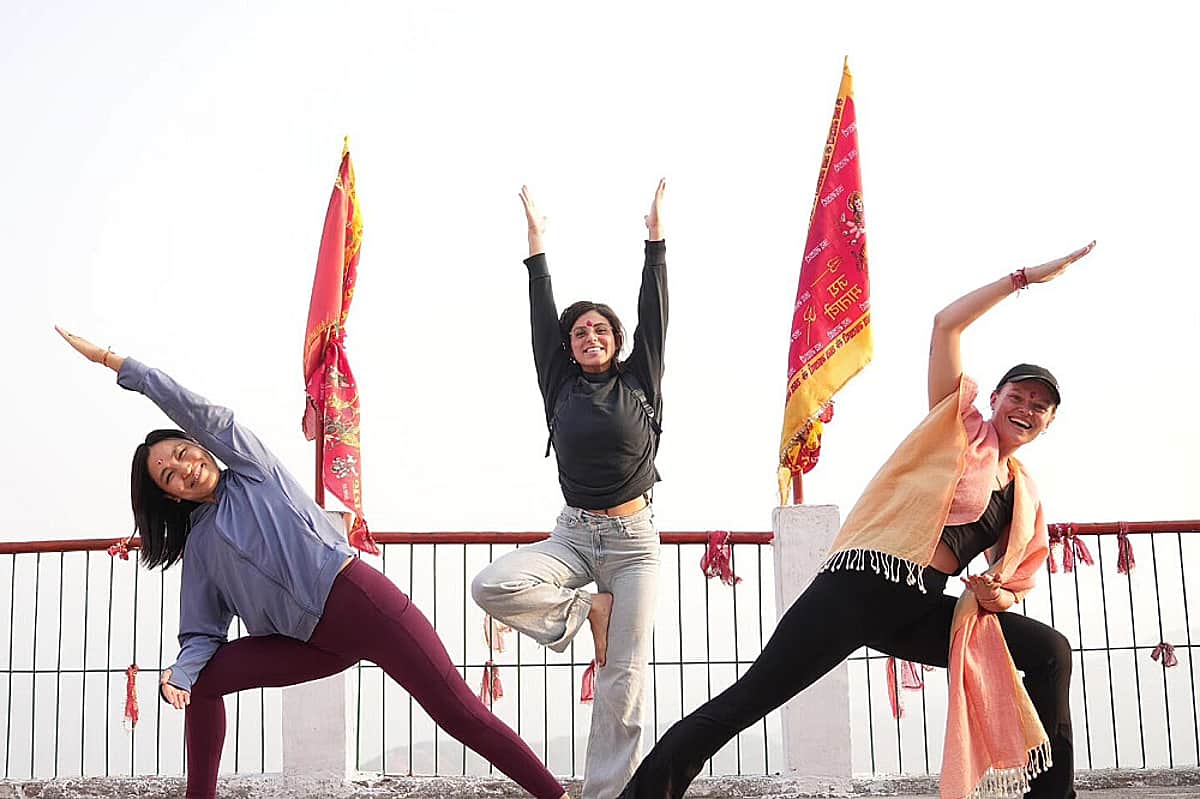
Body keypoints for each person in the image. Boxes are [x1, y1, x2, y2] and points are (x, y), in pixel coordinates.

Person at [618, 242, 1097, 799]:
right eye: (1019, 395)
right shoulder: (957, 429)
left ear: (1049, 422)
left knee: (1050, 651)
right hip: (859, 586)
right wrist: (1023, 279)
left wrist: (995, 592)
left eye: (1041, 406)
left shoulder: (1022, 495)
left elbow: (1013, 581)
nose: (1027, 409)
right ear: (994, 399)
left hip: (920, 602)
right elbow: (946, 325)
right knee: (749, 701)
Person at [54, 326, 569, 799]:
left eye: (181, 455)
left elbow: (199, 412)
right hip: (306, 643)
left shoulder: (252, 470)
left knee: (459, 714)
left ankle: (558, 796)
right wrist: (179, 677)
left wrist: (115, 363)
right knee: (206, 677)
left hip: (361, 604)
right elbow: (201, 634)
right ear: (170, 497)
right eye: (167, 476)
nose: (182, 470)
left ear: (200, 447)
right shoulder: (202, 549)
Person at [471, 180, 668, 799]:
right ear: (569, 344)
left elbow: (656, 307)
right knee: (493, 585)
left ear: (616, 340)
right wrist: (536, 242)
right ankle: (589, 611)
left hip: (633, 544)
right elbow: (539, 309)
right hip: (574, 535)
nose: (590, 338)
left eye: (600, 331)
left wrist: (655, 240)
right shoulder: (557, 382)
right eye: (580, 332)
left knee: (622, 683)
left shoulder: (641, 379)